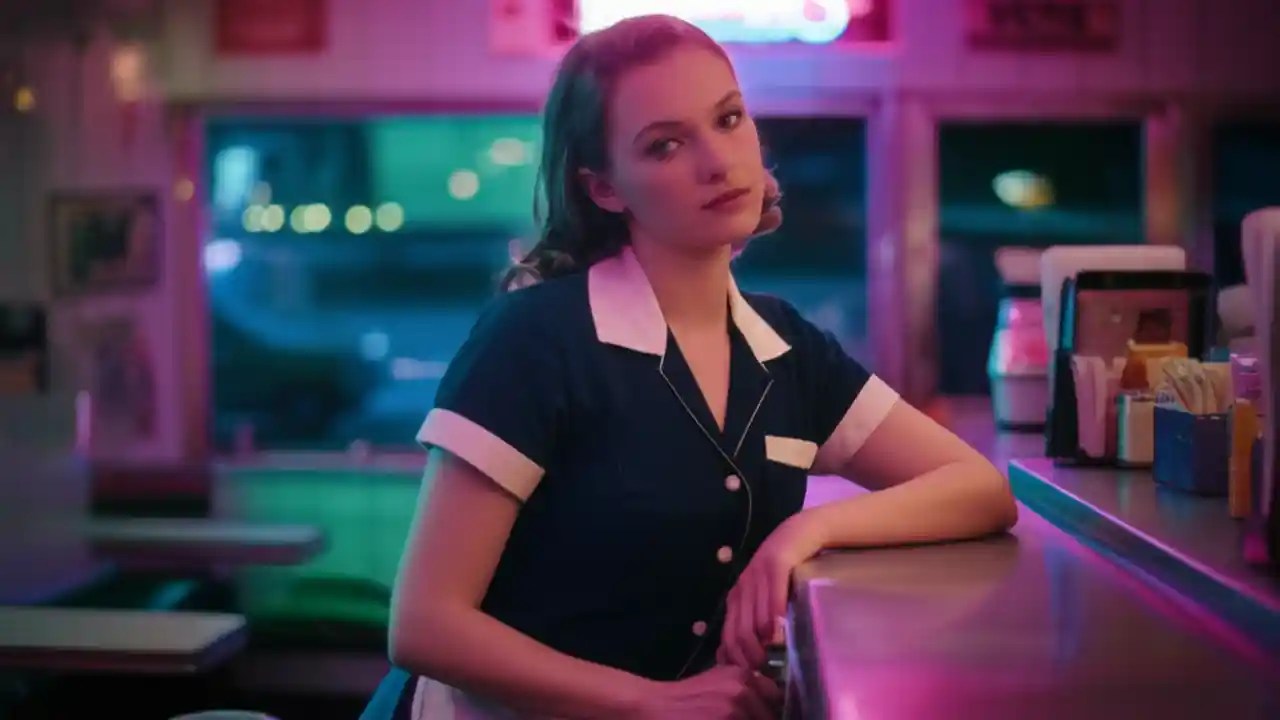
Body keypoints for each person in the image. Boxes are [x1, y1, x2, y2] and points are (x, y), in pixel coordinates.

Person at [363, 14, 1017, 720]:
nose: (718, 160)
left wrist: (803, 534)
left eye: (729, 118)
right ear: (605, 188)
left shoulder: (786, 348)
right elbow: (424, 626)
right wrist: (648, 703)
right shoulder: (536, 338)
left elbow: (979, 490)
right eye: (666, 144)